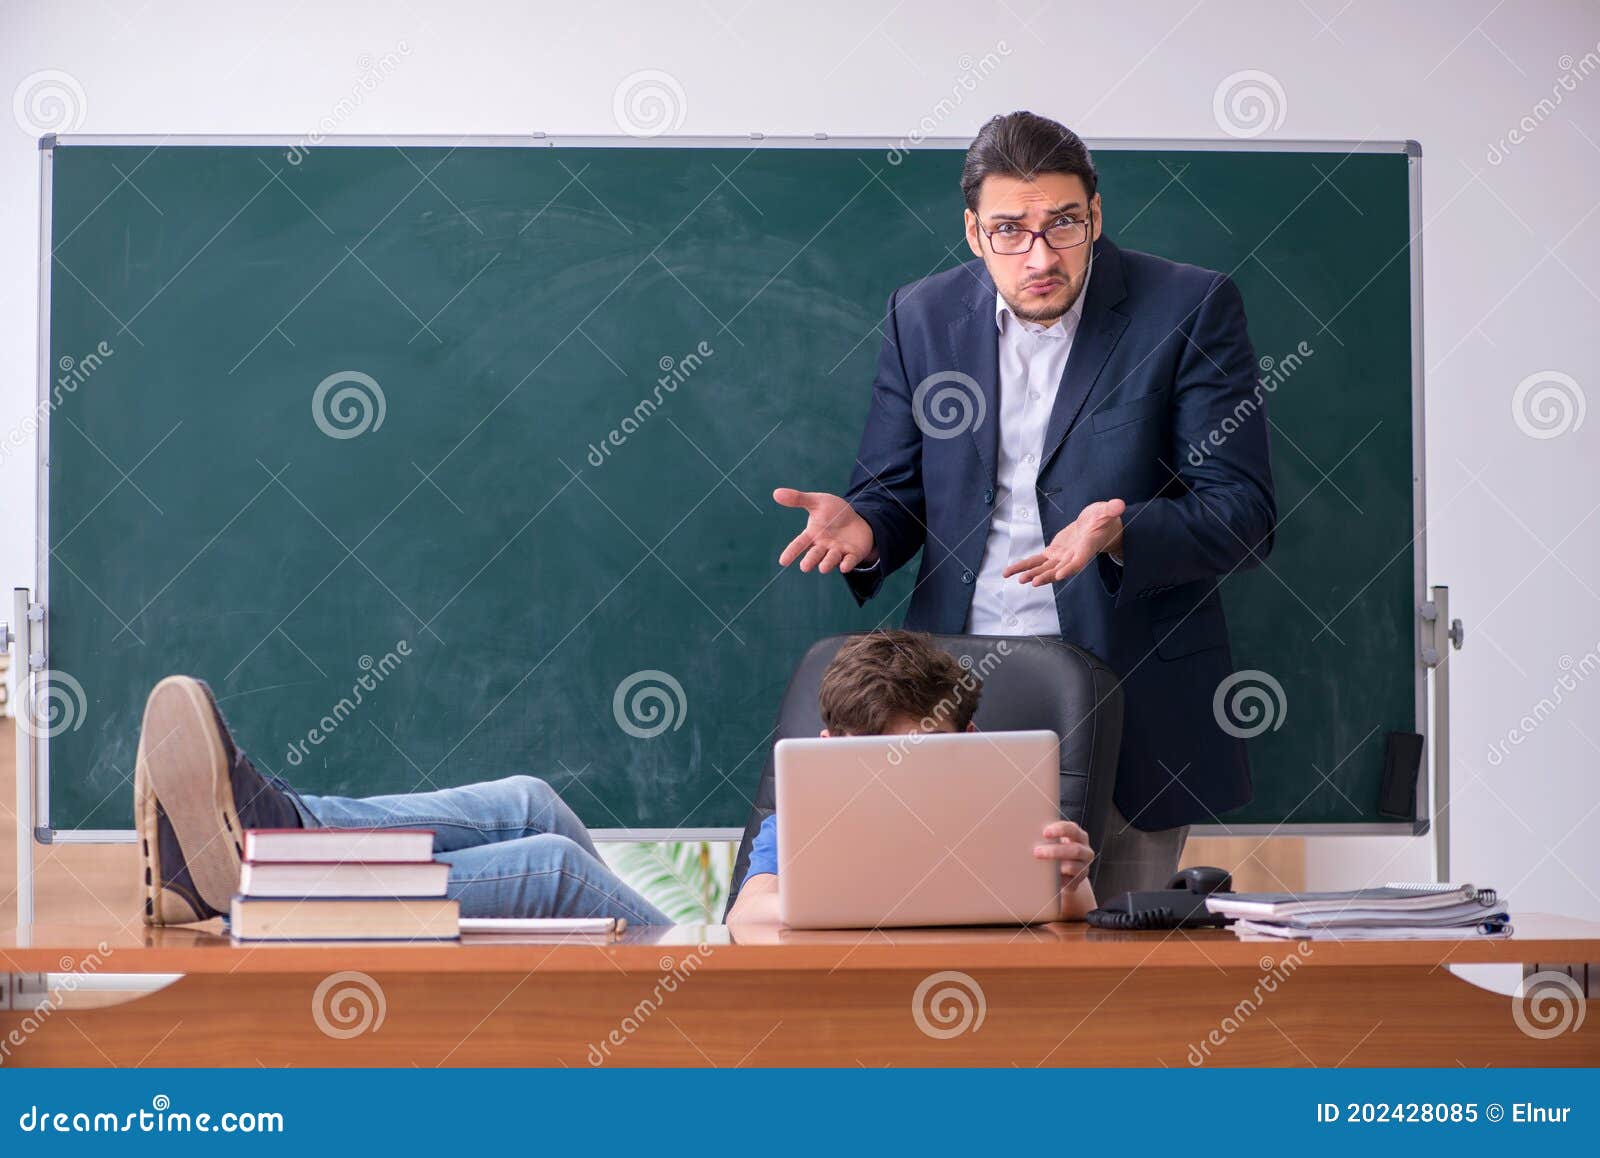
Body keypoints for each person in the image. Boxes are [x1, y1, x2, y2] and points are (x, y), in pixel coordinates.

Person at [772, 111, 1276, 895]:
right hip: (949, 696)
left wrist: (1120, 531)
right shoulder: (924, 315)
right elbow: (899, 491)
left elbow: (1243, 515)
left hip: (1129, 696)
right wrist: (867, 527)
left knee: (1117, 969)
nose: (1040, 255)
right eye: (1011, 230)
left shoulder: (1187, 307)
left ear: (1096, 216)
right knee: (955, 938)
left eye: (1063, 225)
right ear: (974, 233)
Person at [136, 631, 1096, 928]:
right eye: (869, 754)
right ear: (831, 740)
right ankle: (281, 827)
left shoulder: (1002, 799)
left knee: (552, 864)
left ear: (964, 730)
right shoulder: (820, 805)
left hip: (697, 994)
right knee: (527, 800)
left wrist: (1071, 885)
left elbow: (1064, 918)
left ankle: (263, 882)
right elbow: (753, 917)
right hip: (714, 964)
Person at [727, 630, 1095, 926]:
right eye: (872, 752)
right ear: (828, 748)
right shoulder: (801, 822)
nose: (898, 772)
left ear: (968, 740)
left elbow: (1074, 907)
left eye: (926, 748)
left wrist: (1070, 884)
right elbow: (745, 913)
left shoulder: (1009, 812)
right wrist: (820, 906)